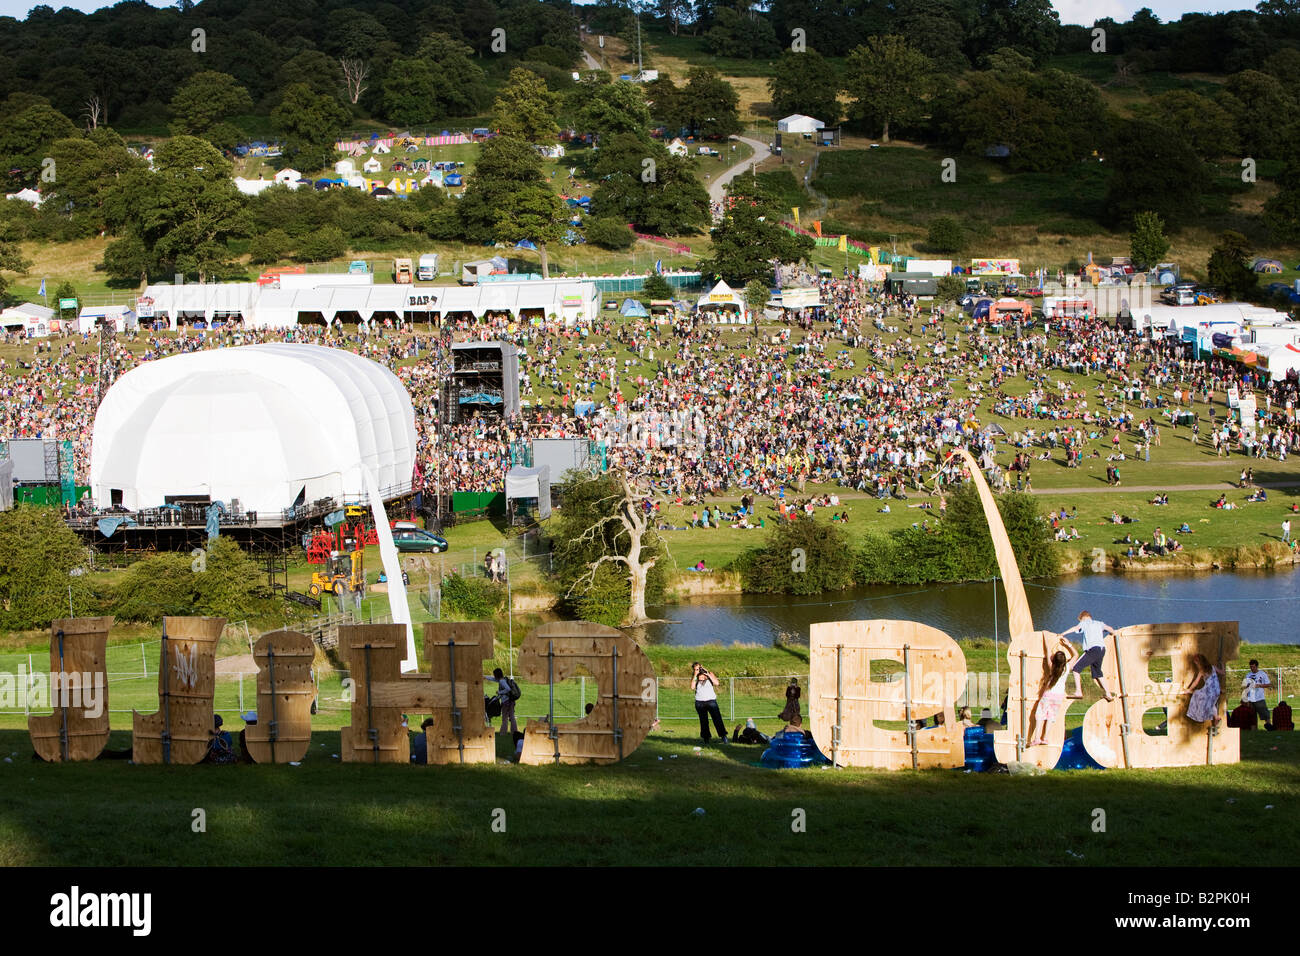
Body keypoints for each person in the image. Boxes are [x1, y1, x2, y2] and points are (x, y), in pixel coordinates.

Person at [1060, 610, 1119, 702]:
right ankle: (1108, 694)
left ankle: (1078, 692)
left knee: (1076, 668)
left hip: (1092, 650)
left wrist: (1063, 633)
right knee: (1098, 673)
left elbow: (1075, 628)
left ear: (1082, 618)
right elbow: (1110, 629)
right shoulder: (1099, 623)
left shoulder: (1084, 623)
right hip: (1101, 650)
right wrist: (1113, 633)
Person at [1029, 640, 1077, 746]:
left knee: (1040, 715)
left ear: (1054, 660)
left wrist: (1046, 639)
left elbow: (1047, 651)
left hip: (1048, 695)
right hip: (1059, 696)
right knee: (1051, 716)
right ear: (1064, 661)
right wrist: (1068, 644)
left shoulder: (1052, 667)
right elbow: (1076, 654)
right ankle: (1045, 738)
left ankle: (1037, 738)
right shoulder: (1066, 668)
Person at [1184, 653, 1223, 728]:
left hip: (1209, 692)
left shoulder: (1202, 671)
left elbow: (1196, 682)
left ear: (1199, 663)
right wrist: (1223, 666)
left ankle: (1200, 716)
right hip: (1216, 691)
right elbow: (1223, 673)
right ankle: (1217, 718)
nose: (1196, 665)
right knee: (1212, 704)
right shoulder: (1213, 667)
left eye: (1196, 663)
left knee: (1197, 695)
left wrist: (1189, 689)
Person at [691, 662, 727, 743]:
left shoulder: (709, 674)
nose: (699, 670)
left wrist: (707, 674)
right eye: (696, 669)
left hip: (711, 701)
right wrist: (695, 675)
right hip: (700, 703)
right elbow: (692, 687)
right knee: (703, 721)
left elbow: (717, 683)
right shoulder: (695, 678)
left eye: (699, 668)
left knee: (717, 719)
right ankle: (706, 738)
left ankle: (723, 736)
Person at [1241, 659, 1272, 725]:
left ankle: (1269, 726)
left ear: (1257, 666)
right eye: (1251, 667)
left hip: (1259, 698)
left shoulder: (1262, 674)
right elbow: (1245, 686)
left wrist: (1259, 685)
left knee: (1265, 715)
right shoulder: (1248, 675)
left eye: (1253, 667)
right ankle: (1254, 730)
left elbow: (1268, 684)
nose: (1252, 668)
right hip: (1250, 699)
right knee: (1252, 716)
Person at [491, 667, 519, 736]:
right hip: (511, 701)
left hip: (506, 702)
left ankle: (503, 732)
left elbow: (508, 689)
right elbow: (493, 679)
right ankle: (514, 732)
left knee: (504, 718)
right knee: (512, 717)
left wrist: (499, 692)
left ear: (496, 675)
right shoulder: (504, 679)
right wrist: (485, 677)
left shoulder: (502, 681)